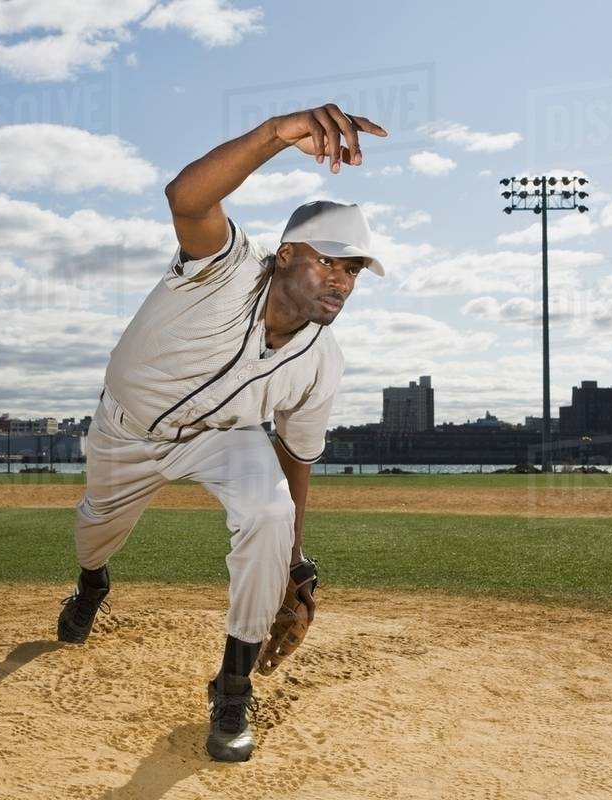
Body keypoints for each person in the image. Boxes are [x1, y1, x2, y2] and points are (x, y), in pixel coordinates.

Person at [56, 103, 388, 762]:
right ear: (286, 255)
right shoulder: (225, 269)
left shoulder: (322, 360)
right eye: (330, 261)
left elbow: (296, 459)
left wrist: (292, 562)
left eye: (353, 270)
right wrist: (274, 134)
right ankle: (92, 584)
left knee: (269, 512)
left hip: (225, 436)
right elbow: (186, 198)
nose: (342, 281)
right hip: (127, 428)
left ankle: (232, 689)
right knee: (95, 530)